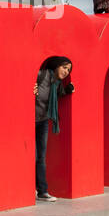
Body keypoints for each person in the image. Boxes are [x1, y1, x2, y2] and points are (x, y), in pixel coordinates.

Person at [34, 56, 75, 200]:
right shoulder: (42, 75)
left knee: (41, 157)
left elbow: (57, 95)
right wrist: (31, 87)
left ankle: (42, 191)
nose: (66, 72)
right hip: (29, 121)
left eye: (68, 70)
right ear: (56, 66)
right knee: (32, 155)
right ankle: (28, 187)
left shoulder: (56, 84)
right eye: (64, 67)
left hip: (43, 121)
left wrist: (68, 90)